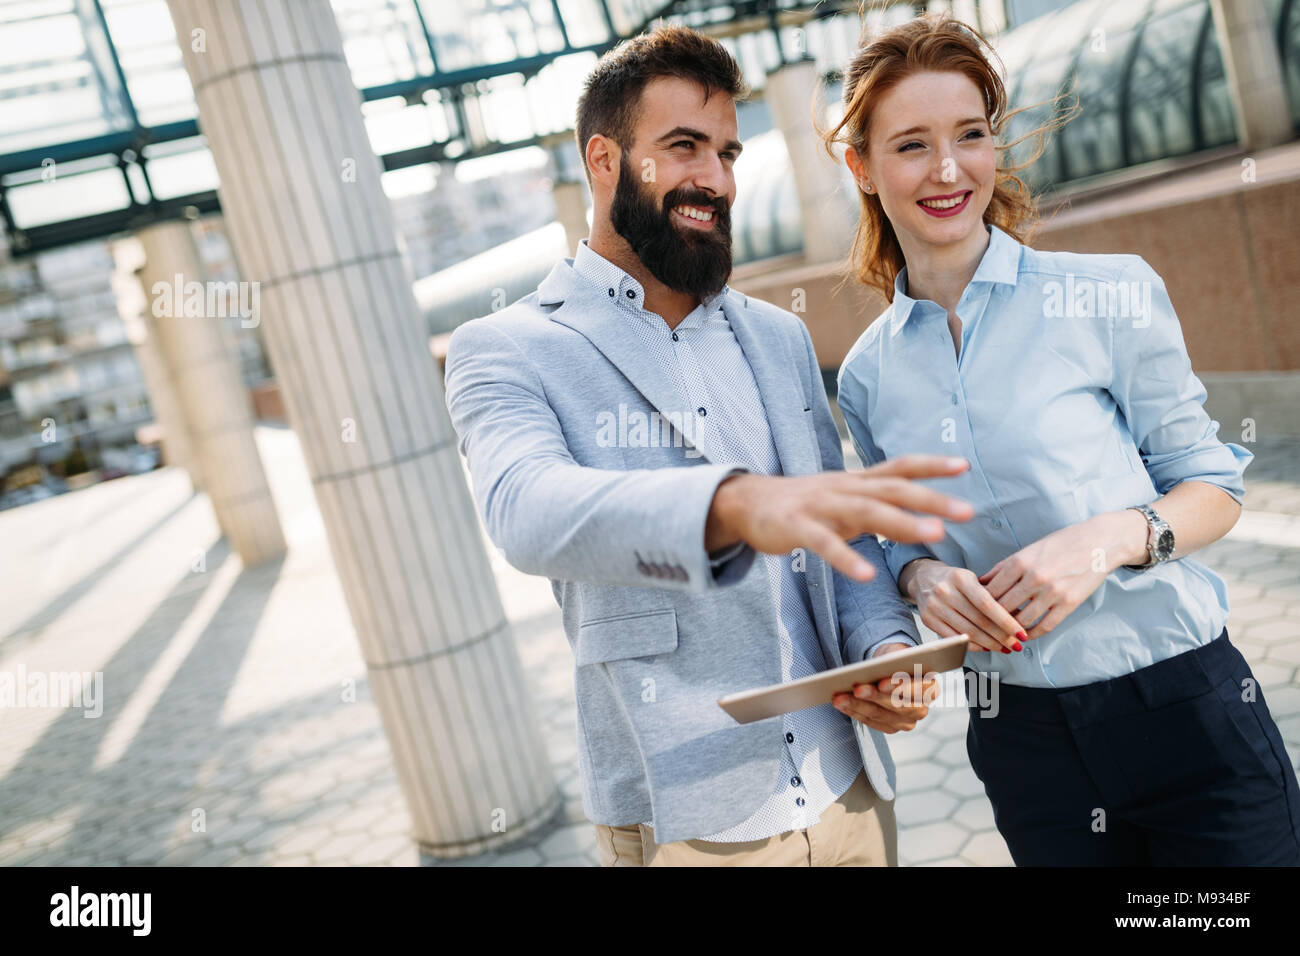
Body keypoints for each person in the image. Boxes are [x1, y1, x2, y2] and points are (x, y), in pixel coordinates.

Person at [444, 25, 981, 867]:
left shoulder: (778, 337)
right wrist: (735, 505)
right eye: (683, 147)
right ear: (605, 161)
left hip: (849, 790)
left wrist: (886, 648)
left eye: (727, 151)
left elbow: (839, 536)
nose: (716, 179)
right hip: (686, 821)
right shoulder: (506, 347)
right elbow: (525, 509)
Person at [828, 12, 1300, 865]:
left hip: (1185, 710)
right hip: (1022, 743)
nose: (948, 169)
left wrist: (1107, 539)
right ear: (859, 166)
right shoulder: (864, 377)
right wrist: (922, 574)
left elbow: (1213, 488)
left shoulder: (1107, 295)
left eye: (970, 135)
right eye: (910, 145)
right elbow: (898, 541)